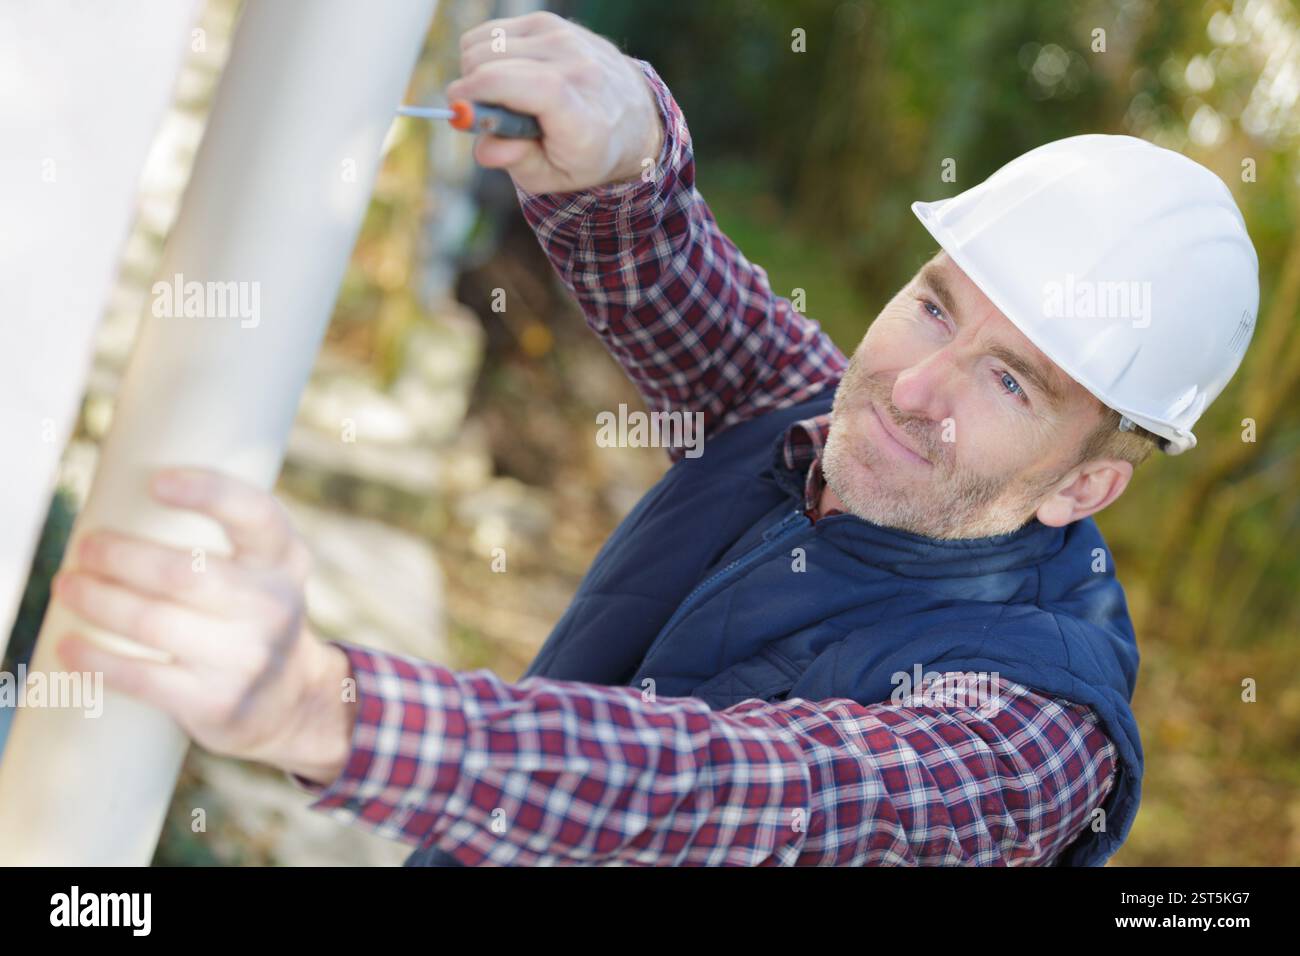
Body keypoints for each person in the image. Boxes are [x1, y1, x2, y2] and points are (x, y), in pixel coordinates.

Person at [51, 11, 1258, 866]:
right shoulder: (826, 428)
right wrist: (624, 148)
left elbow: (721, 799)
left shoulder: (1030, 735)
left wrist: (325, 707)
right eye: (936, 303)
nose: (911, 385)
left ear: (1086, 481)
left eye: (1008, 380)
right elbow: (685, 282)